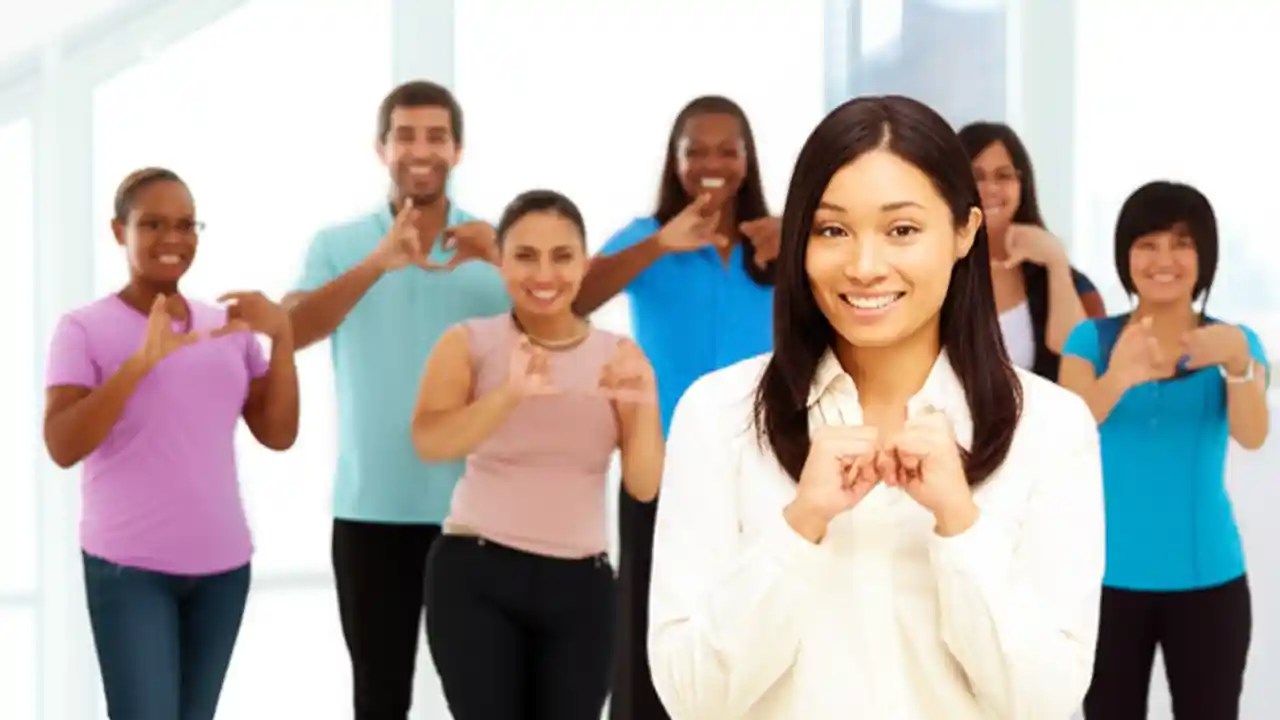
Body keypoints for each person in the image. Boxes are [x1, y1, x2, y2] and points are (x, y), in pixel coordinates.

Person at [647, 96, 1106, 719]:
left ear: (964, 232)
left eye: (902, 231)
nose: (864, 267)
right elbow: (691, 698)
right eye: (832, 230)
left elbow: (1048, 701)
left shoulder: (1050, 428)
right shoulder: (717, 415)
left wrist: (960, 523)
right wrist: (799, 524)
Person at [284, 80, 508, 719]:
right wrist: (377, 264)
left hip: (478, 514)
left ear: (457, 150)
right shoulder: (339, 245)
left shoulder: (494, 245)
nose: (421, 149)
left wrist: (499, 254)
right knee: (379, 699)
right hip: (370, 513)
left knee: (484, 698)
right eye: (405, 135)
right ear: (381, 147)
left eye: (436, 135)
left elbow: (563, 329)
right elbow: (291, 332)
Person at [42, 167, 299, 719]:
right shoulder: (83, 329)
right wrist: (140, 364)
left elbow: (277, 434)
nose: (173, 238)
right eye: (153, 223)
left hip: (223, 570)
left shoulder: (224, 326)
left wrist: (281, 338)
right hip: (130, 570)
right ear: (119, 231)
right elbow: (62, 444)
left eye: (186, 224)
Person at [411, 189, 664, 719]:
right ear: (500, 260)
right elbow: (431, 442)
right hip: (476, 574)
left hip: (582, 586)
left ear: (583, 263)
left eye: (561, 256)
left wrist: (643, 403)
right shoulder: (468, 343)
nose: (543, 273)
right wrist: (509, 395)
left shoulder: (618, 358)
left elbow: (644, 485)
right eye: (525, 256)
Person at [573, 95, 781, 719]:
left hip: (761, 463)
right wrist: (662, 243)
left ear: (748, 160)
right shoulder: (647, 239)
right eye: (697, 150)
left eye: (728, 149)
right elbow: (575, 297)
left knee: (756, 617)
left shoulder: (771, 242)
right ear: (676, 160)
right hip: (659, 464)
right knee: (650, 620)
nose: (712, 162)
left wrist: (799, 231)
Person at [1058, 181, 1268, 719]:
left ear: (1205, 257)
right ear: (1126, 254)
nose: (1164, 259)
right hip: (1105, 584)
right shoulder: (1091, 341)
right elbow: (1067, 435)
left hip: (1209, 581)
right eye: (1147, 243)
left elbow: (1253, 434)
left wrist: (1239, 363)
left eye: (1182, 243)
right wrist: (1122, 375)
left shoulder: (1234, 343)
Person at [958, 121, 1106, 379]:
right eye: (976, 176)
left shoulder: (1058, 276)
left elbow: (1075, 353)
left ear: (1021, 184)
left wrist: (1056, 261)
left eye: (1003, 176)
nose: (991, 188)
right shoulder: (938, 267)